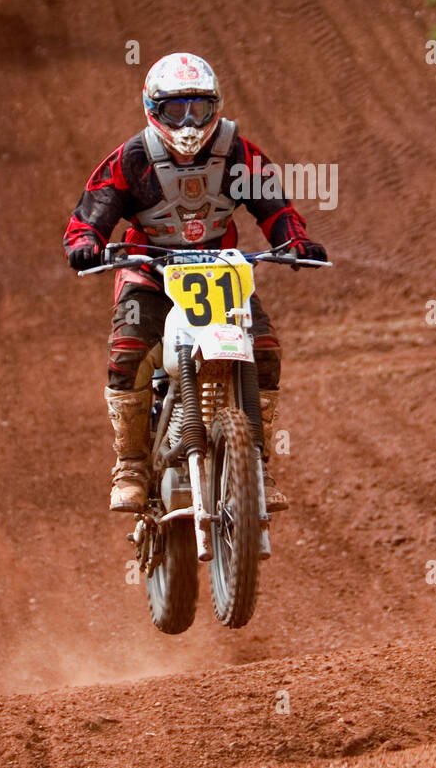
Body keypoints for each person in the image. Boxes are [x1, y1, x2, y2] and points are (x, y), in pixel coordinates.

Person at [64, 51, 327, 513]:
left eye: (199, 109)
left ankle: (257, 465)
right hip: (149, 272)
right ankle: (129, 464)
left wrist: (296, 241)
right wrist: (86, 243)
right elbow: (91, 213)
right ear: (153, 109)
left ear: (216, 107)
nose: (189, 121)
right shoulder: (133, 159)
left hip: (221, 273)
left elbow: (277, 209)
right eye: (176, 109)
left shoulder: (237, 153)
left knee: (263, 349)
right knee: (128, 351)